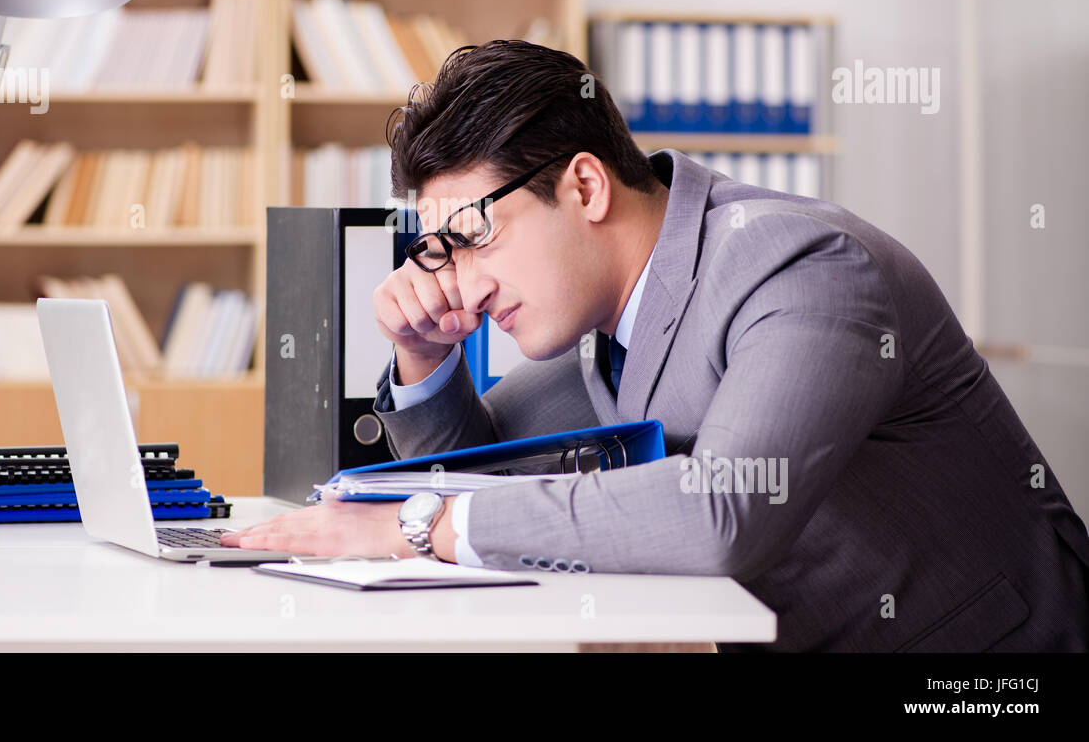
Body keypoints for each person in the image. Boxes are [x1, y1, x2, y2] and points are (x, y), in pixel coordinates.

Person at [222, 39, 1089, 652]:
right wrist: (424, 357)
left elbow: (720, 512)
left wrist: (405, 531)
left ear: (586, 184)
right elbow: (488, 483)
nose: (466, 283)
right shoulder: (604, 324)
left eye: (478, 235)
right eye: (442, 249)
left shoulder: (800, 267)